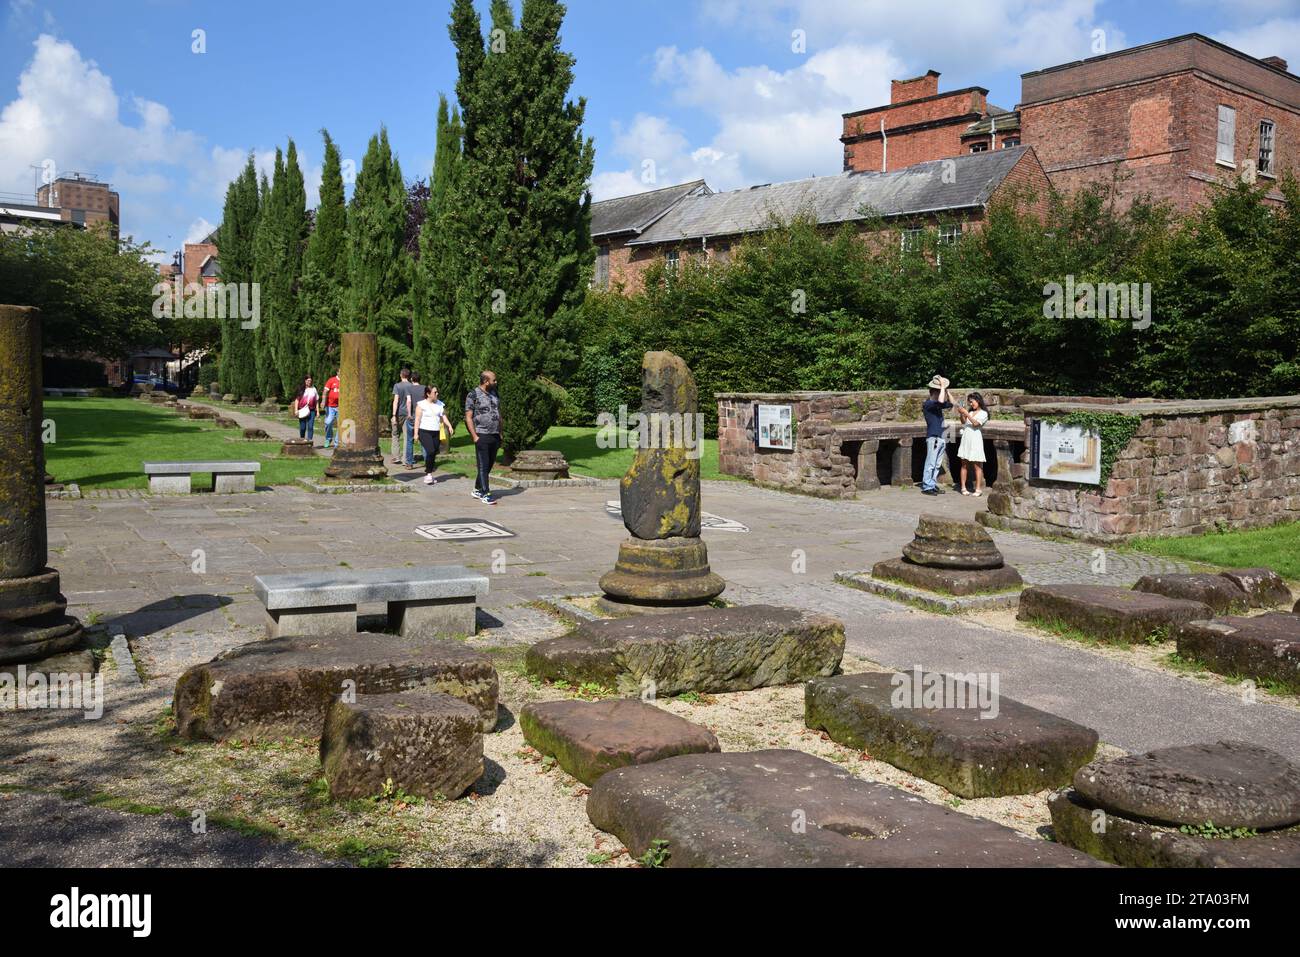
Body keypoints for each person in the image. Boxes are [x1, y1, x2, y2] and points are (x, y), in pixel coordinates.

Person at [465, 370, 501, 505]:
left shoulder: (495, 393)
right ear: (486, 381)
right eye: (494, 380)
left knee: (489, 465)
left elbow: (499, 413)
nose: (496, 382)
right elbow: (468, 417)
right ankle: (486, 493)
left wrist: (500, 432)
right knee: (483, 465)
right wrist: (474, 436)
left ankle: (477, 489)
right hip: (481, 434)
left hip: (495, 434)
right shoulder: (473, 395)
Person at [413, 385, 456, 485]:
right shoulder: (421, 404)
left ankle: (430, 473)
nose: (437, 394)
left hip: (436, 432)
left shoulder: (440, 404)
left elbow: (444, 417)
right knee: (430, 450)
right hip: (424, 431)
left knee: (434, 452)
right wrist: (416, 433)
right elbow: (417, 420)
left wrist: (449, 426)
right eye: (434, 392)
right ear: (428, 394)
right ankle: (428, 473)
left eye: (437, 392)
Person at [919, 374, 951, 496]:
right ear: (935, 392)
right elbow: (942, 400)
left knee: (937, 464)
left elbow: (951, 403)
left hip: (941, 437)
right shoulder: (928, 404)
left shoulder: (938, 404)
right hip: (933, 437)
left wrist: (946, 389)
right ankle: (927, 486)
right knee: (931, 463)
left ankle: (932, 484)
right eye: (940, 391)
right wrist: (942, 386)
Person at [956, 392, 989, 497]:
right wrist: (962, 413)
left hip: (975, 439)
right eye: (969, 402)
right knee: (964, 464)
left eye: (972, 402)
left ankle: (978, 489)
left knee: (977, 466)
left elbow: (975, 424)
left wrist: (965, 413)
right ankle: (963, 487)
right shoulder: (969, 412)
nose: (971, 404)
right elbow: (963, 422)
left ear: (978, 400)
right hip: (966, 438)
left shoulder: (984, 413)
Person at [390, 368, 423, 468]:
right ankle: (406, 459)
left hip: (399, 413)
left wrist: (393, 415)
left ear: (401, 375)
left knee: (395, 434)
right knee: (407, 437)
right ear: (409, 376)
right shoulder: (412, 386)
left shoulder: (397, 386)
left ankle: (396, 456)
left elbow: (396, 401)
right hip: (409, 414)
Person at [291, 376, 319, 441]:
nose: (309, 382)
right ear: (305, 381)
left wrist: (317, 411)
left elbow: (317, 400)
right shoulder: (301, 389)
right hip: (302, 410)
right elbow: (297, 400)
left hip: (311, 410)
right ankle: (302, 439)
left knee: (310, 427)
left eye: (310, 381)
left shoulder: (314, 389)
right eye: (308, 380)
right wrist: (296, 410)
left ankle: (309, 441)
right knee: (302, 428)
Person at [322, 368, 341, 448]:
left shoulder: (346, 381)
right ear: (337, 372)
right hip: (330, 406)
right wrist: (323, 401)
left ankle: (336, 443)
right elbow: (325, 391)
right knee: (328, 422)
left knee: (340, 425)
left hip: (340, 407)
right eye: (340, 371)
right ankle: (328, 438)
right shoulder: (331, 380)